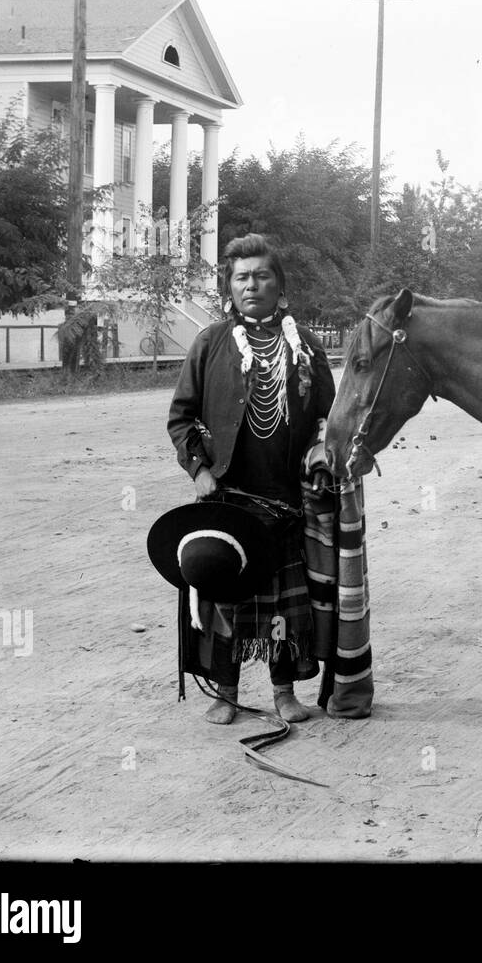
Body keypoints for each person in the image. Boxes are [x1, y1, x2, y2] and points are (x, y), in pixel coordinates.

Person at [167, 233, 336, 724]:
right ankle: (226, 692)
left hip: (285, 498)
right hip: (227, 497)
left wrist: (323, 450)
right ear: (230, 286)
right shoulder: (211, 342)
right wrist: (200, 470)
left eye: (262, 275)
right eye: (242, 277)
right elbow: (180, 418)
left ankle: (284, 692)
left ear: (279, 286)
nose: (251, 285)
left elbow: (329, 416)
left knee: (284, 600)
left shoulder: (305, 346)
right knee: (226, 594)